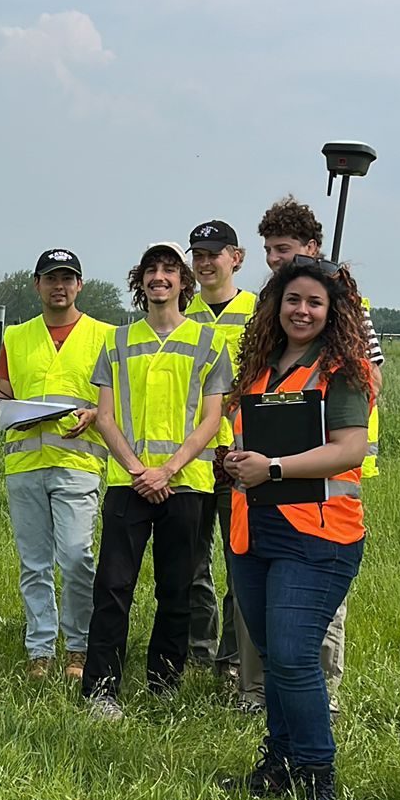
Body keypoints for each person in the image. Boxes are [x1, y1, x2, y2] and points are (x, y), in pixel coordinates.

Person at [223, 258, 375, 800]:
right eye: (293, 301)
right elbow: (250, 441)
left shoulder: (342, 371)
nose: (302, 310)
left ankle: (319, 777)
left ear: (332, 311)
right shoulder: (259, 367)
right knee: (273, 657)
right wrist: (237, 463)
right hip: (252, 531)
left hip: (318, 534)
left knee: (290, 655)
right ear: (276, 307)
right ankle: (280, 761)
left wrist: (275, 469)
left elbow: (349, 449)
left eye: (315, 302)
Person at [246, 195, 387, 713]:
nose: (276, 261)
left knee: (312, 628)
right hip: (268, 487)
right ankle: (268, 702)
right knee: (272, 624)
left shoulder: (350, 316)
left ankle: (316, 702)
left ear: (311, 248)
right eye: (269, 251)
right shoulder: (266, 314)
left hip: (329, 486)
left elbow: (369, 380)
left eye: (284, 249)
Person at [80, 241, 231, 718]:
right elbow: (104, 417)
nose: (159, 277)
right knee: (112, 586)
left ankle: (164, 684)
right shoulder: (117, 342)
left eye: (169, 270)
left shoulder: (210, 343)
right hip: (130, 483)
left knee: (176, 590)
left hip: (186, 485)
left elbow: (212, 420)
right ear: (140, 282)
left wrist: (167, 469)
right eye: (151, 270)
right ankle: (101, 689)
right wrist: (138, 470)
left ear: (184, 283)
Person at [0, 249, 113, 680]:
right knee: (34, 562)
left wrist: (96, 415)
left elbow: (114, 401)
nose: (58, 286)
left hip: (78, 462)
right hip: (25, 463)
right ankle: (40, 649)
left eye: (67, 278)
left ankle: (78, 648)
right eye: (50, 278)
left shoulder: (104, 335)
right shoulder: (16, 337)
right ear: (37, 285)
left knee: (77, 556)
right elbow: (5, 393)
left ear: (79, 285)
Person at [183, 220, 258, 689]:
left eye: (215, 253)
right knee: (191, 562)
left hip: (240, 452)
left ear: (237, 257)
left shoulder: (259, 311)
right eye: (198, 254)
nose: (205, 262)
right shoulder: (180, 313)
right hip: (191, 453)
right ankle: (197, 648)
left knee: (239, 561)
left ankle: (230, 660)